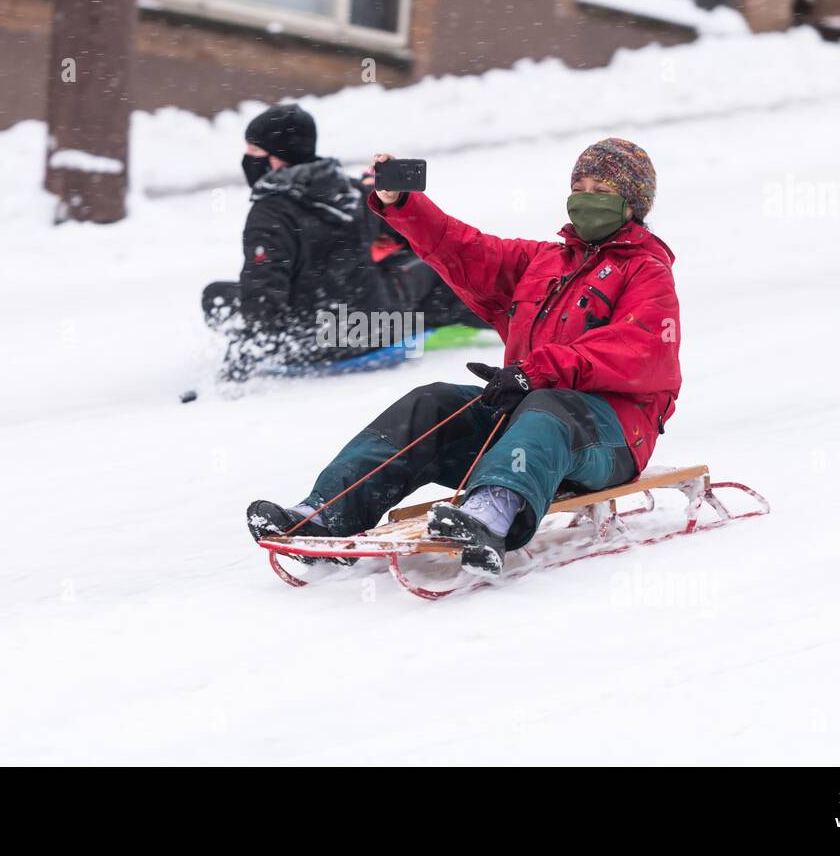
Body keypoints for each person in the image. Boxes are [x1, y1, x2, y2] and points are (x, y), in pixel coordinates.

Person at [247, 138, 681, 576]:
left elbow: (640, 352)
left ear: (632, 205)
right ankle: (327, 513)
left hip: (608, 440)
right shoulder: (546, 261)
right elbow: (464, 248)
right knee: (433, 401)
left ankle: (489, 517)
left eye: (601, 192)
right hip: (528, 428)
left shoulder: (647, 271)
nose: (586, 199)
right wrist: (402, 203)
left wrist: (533, 373)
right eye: (580, 187)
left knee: (548, 404)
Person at [202, 104, 483, 380]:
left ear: (277, 157)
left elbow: (262, 298)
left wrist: (234, 371)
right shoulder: (350, 190)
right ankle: (482, 313)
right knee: (422, 266)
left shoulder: (270, 212)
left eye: (254, 151)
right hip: (377, 328)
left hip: (319, 343)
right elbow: (411, 234)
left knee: (216, 296)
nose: (248, 159)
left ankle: (436, 315)